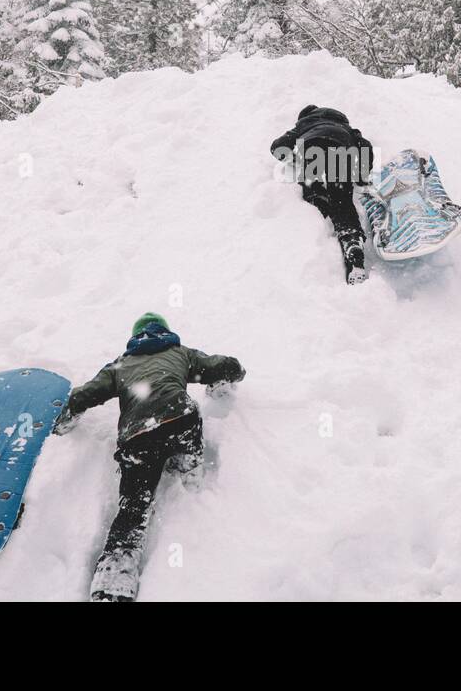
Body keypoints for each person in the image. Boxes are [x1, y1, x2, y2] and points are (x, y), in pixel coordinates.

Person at [53, 312, 245, 602]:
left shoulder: (120, 365)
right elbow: (219, 365)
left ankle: (115, 573)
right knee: (186, 431)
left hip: (138, 436)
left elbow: (86, 395)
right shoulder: (179, 353)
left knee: (134, 504)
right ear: (164, 332)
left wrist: (65, 418)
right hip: (180, 418)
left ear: (135, 337)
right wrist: (235, 372)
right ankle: (187, 463)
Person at [270, 104, 374, 284]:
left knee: (313, 192)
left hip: (311, 147)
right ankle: (351, 241)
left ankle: (322, 210)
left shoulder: (304, 124)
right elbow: (365, 145)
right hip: (341, 147)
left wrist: (293, 159)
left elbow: (277, 147)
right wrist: (361, 176)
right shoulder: (344, 126)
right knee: (342, 199)